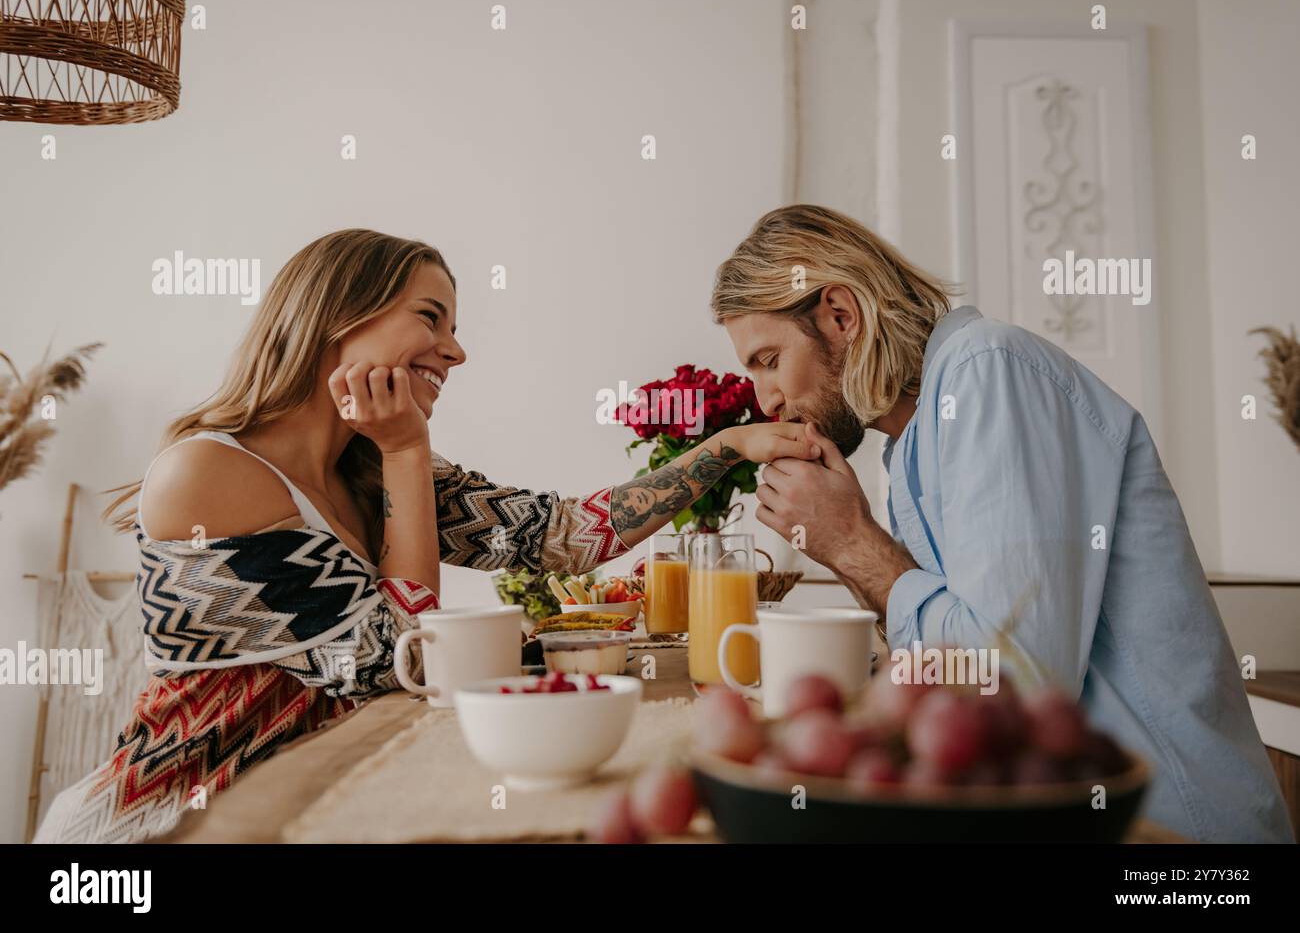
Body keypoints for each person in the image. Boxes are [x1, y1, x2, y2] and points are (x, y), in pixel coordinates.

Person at [34, 228, 816, 843]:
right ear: (338, 317)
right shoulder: (206, 475)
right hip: (161, 828)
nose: (457, 349)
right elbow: (398, 657)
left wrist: (725, 450)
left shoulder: (369, 469)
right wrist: (407, 451)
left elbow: (561, 537)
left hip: (303, 808)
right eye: (431, 318)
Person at [711, 203, 1294, 843]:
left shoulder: (987, 369)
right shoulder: (907, 443)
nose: (764, 402)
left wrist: (852, 542)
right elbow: (950, 671)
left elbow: (1011, 679)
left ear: (841, 315)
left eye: (768, 360)